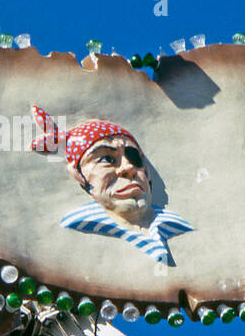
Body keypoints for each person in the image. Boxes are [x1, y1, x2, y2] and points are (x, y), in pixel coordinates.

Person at [30, 107, 193, 265]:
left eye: (134, 158)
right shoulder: (81, 223)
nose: (128, 168)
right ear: (78, 175)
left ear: (147, 172)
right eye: (107, 159)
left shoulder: (175, 224)